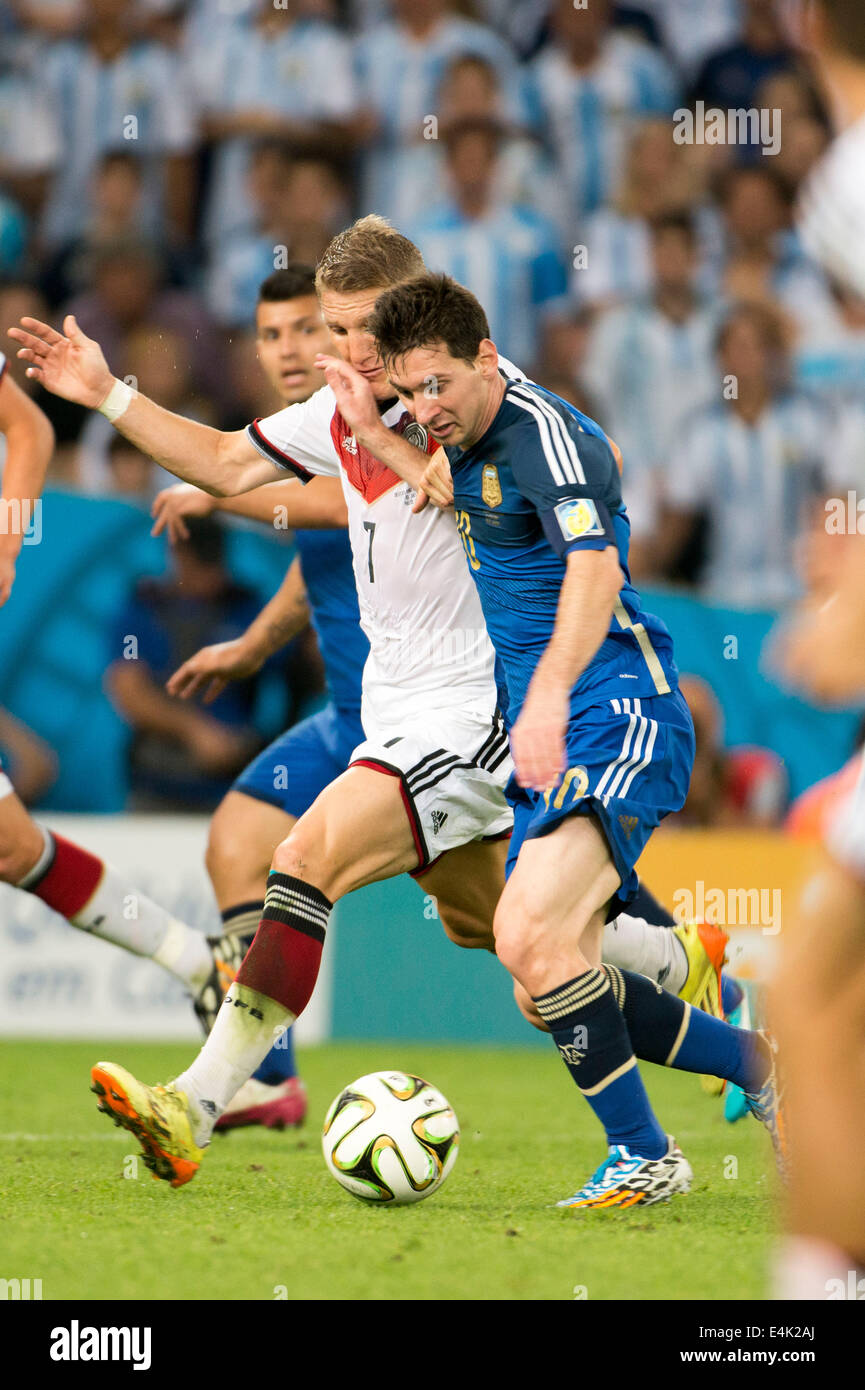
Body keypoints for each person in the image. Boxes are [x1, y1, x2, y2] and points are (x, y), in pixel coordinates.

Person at [11, 217, 733, 1193]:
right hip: (398, 715)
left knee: (297, 857)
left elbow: (449, 489)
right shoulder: (351, 399)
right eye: (325, 328)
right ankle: (689, 972)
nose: (333, 350)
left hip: (468, 718)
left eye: (353, 328)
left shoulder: (453, 400)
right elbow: (226, 461)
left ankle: (198, 1101)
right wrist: (107, 391)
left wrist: (362, 425)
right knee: (511, 942)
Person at [361, 271, 784, 1208]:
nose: (422, 409)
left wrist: (547, 695)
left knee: (528, 933)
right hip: (557, 729)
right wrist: (369, 415)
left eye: (435, 384)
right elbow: (446, 466)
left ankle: (644, 1154)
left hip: (615, 707)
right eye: (407, 391)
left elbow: (594, 569)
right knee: (543, 976)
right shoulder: (459, 431)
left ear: (485, 359)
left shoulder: (546, 437)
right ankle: (760, 1064)